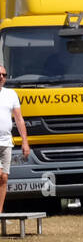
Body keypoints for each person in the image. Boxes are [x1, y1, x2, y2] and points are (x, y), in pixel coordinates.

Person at [0, 64, 33, 215]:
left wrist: (24, 141)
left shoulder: (11, 94)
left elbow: (19, 120)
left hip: (6, 142)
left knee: (4, 178)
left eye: (4, 75)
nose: (1, 77)